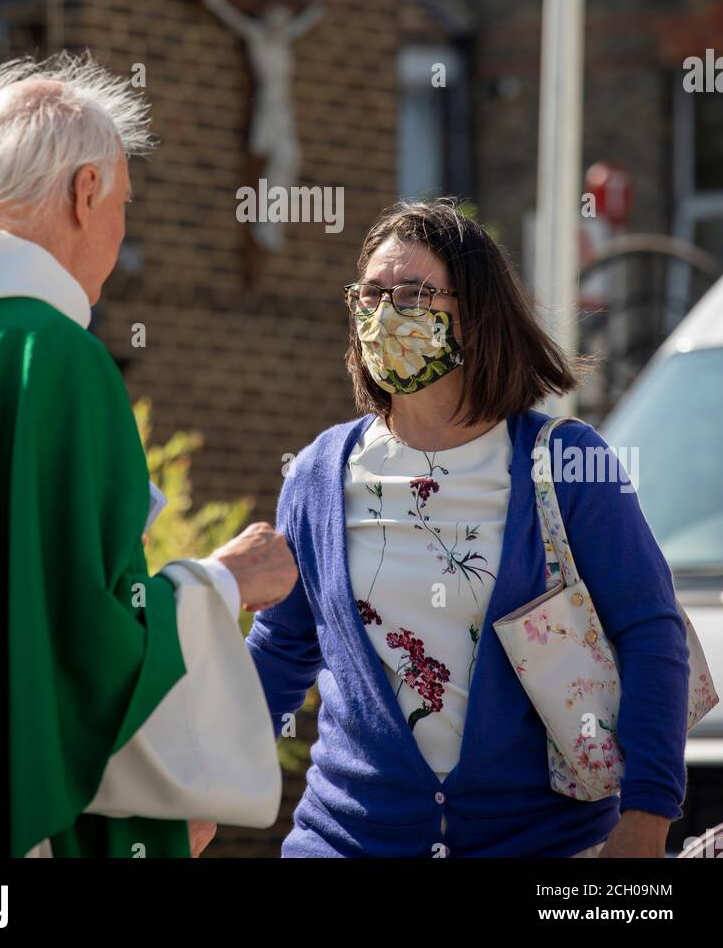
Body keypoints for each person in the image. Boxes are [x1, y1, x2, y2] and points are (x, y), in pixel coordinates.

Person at [0, 52, 296, 858]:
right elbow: (85, 639)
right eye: (124, 204)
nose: (121, 233)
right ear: (85, 194)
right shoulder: (50, 357)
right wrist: (228, 580)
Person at [246, 199, 690, 858]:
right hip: (345, 841)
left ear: (476, 314)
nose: (387, 312)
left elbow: (651, 632)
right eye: (370, 294)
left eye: (415, 294)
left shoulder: (569, 462)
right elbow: (283, 652)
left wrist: (647, 819)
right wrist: (208, 782)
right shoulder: (319, 472)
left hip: (541, 846)